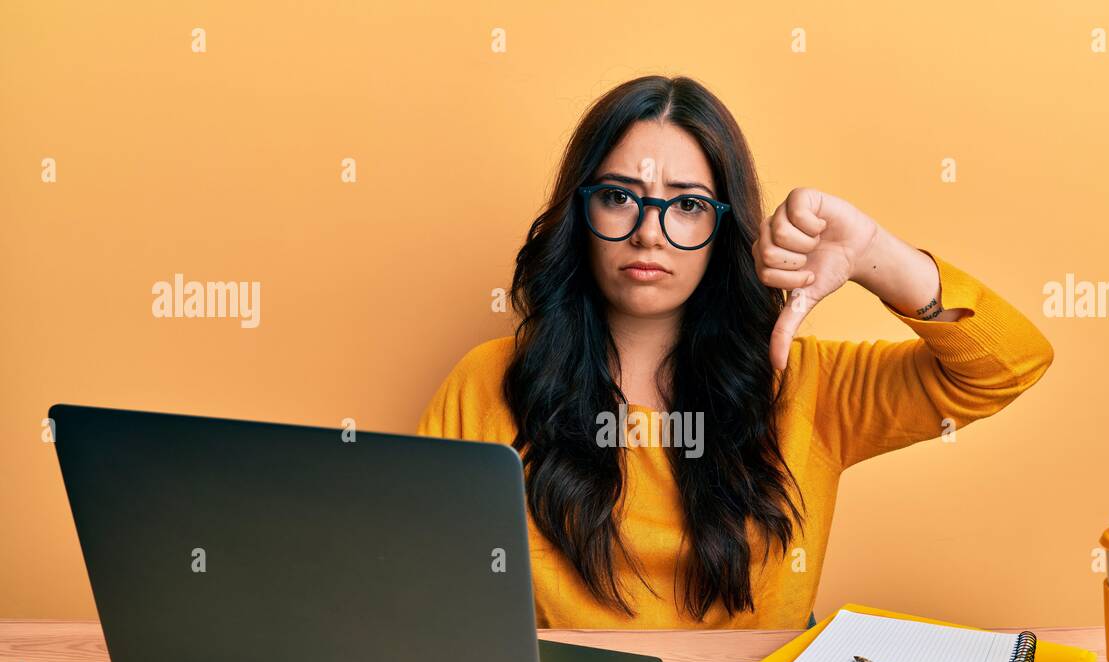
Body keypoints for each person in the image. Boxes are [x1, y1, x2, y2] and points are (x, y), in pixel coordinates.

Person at [417, 75, 1053, 630]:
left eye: (687, 205)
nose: (646, 232)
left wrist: (875, 255)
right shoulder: (488, 383)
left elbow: (1010, 363)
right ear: (578, 212)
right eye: (617, 197)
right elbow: (425, 585)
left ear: (724, 228)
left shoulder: (806, 383)